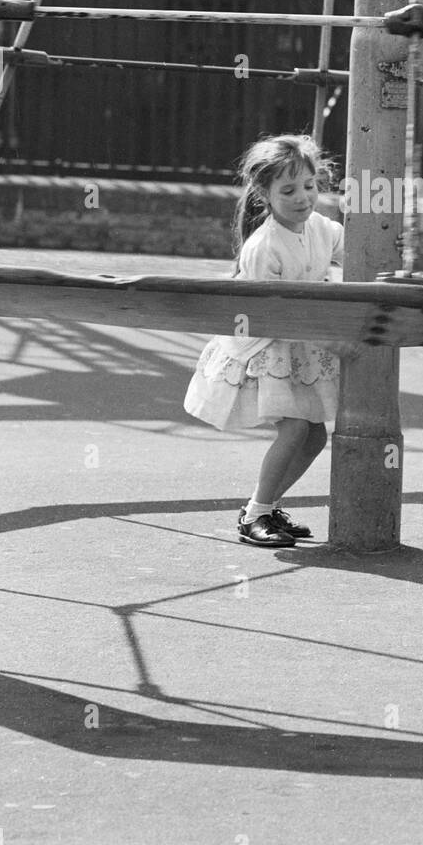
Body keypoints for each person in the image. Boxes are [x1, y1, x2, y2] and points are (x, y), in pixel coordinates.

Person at [184, 133, 344, 547]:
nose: (301, 198)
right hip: (264, 345)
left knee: (315, 435)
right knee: (293, 430)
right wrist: (331, 333)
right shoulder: (264, 246)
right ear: (265, 194)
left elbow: (354, 255)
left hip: (299, 340)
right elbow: (265, 315)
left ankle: (265, 506)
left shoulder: (323, 228)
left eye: (308, 186)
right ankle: (255, 513)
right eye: (287, 190)